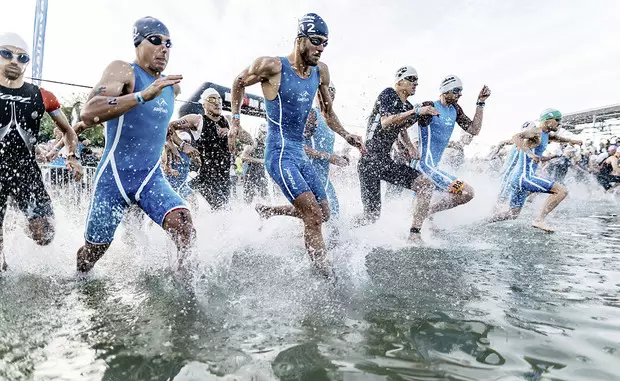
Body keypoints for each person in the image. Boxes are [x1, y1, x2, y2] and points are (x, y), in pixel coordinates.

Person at [229, 13, 365, 277]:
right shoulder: (272, 66)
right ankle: (324, 276)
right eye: (316, 41)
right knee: (313, 216)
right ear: (300, 39)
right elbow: (238, 82)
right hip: (279, 154)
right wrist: (235, 122)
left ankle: (269, 210)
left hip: (299, 153)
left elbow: (327, 112)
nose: (321, 48)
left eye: (325, 43)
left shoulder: (320, 71)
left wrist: (347, 135)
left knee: (323, 212)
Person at [76, 17, 195, 274]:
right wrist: (142, 95)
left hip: (150, 177)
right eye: (155, 41)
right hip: (114, 178)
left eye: (168, 44)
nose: (164, 48)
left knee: (184, 225)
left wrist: (172, 143)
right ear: (138, 43)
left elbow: (156, 124)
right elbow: (89, 111)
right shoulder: (123, 70)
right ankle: (79, 278)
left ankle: (185, 289)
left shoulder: (171, 88)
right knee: (93, 252)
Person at [0, 32, 83, 271]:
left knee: (45, 234)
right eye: (6, 54)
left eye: (22, 57)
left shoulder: (42, 95)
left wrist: (73, 157)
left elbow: (69, 131)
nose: (14, 60)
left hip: (26, 174)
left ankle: (18, 226)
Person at [354, 65, 437, 244]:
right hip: (369, 161)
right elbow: (386, 122)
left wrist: (409, 147)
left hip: (384, 161)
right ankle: (341, 228)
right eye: (412, 79)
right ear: (400, 82)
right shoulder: (389, 94)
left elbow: (401, 129)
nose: (416, 83)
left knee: (425, 185)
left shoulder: (406, 105)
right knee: (371, 216)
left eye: (417, 80)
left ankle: (414, 235)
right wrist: (415, 111)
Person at [486, 109, 582, 232]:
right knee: (561, 191)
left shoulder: (545, 134)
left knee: (513, 214)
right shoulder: (536, 131)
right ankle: (539, 220)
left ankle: (484, 221)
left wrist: (572, 141)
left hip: (519, 179)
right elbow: (516, 137)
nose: (559, 123)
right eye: (557, 120)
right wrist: (529, 153)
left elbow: (555, 137)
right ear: (547, 120)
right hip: (524, 177)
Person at [413, 75, 491, 225]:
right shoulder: (430, 106)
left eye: (461, 91)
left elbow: (474, 130)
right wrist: (408, 145)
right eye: (456, 90)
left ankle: (424, 216)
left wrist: (480, 103)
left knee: (416, 208)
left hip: (433, 168)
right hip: (424, 166)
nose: (460, 94)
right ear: (445, 90)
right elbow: (405, 122)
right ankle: (425, 215)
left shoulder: (455, 109)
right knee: (467, 192)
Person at [189, 88, 252, 210]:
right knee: (220, 209)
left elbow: (249, 140)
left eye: (219, 100)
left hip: (224, 178)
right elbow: (170, 128)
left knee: (224, 213)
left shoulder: (228, 121)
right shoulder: (197, 120)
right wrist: (183, 145)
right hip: (205, 178)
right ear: (204, 105)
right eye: (212, 99)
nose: (217, 102)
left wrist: (231, 133)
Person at [302, 83, 348, 220]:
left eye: (332, 91)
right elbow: (300, 147)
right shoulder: (312, 114)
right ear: (317, 94)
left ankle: (270, 212)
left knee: (328, 212)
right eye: (326, 91)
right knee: (328, 212)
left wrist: (339, 158)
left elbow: (324, 148)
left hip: (323, 175)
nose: (330, 95)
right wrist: (330, 157)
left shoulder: (330, 119)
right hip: (311, 172)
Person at [241, 123, 268, 203]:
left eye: (267, 133)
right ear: (259, 132)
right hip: (252, 173)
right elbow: (243, 156)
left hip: (262, 173)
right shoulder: (254, 143)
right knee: (248, 197)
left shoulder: (266, 144)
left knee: (266, 196)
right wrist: (260, 161)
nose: (265, 135)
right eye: (264, 133)